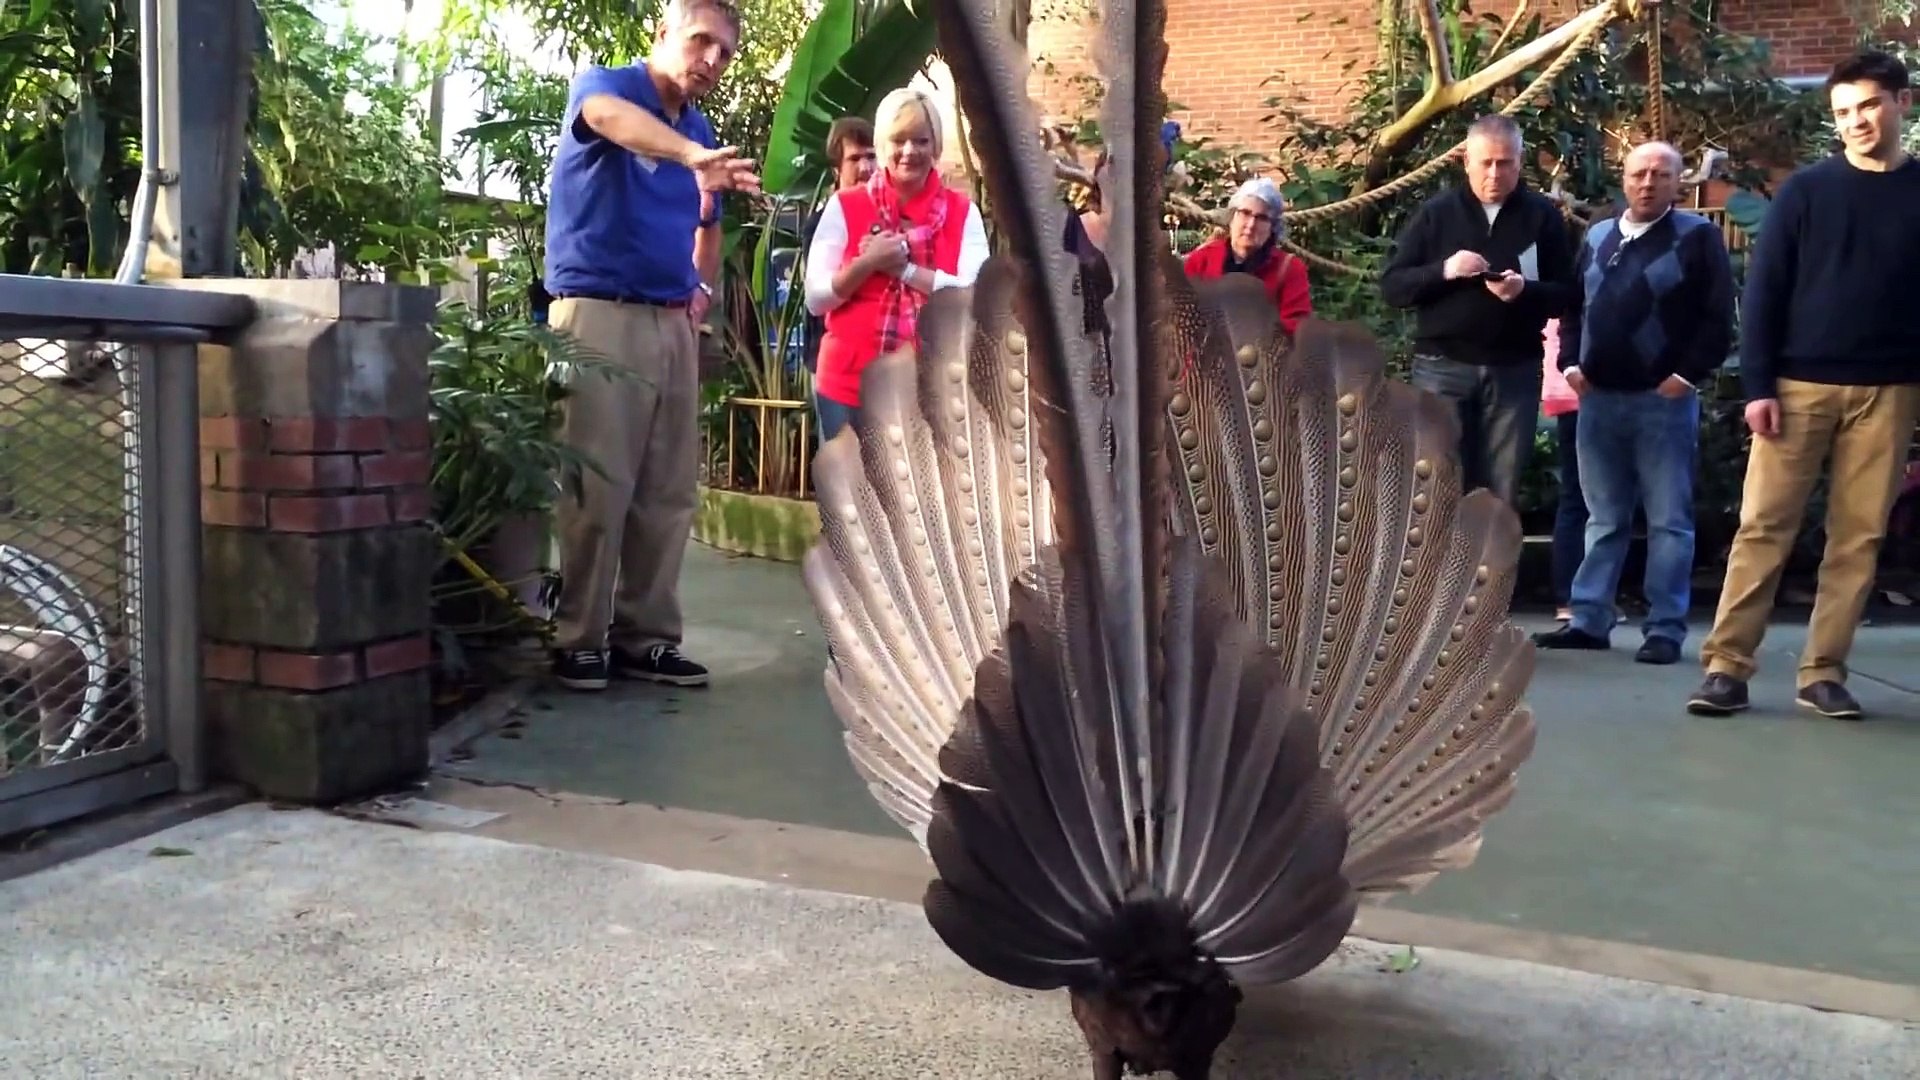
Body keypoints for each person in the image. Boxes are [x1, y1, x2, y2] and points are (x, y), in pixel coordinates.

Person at [1688, 50, 1920, 719]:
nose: (1857, 122)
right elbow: (1763, 294)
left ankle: (1824, 672)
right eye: (1844, 112)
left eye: (1869, 105)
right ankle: (1726, 668)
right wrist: (1758, 384)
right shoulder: (1807, 192)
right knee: (1763, 527)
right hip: (1795, 388)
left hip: (1891, 392)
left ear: (1901, 104)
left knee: (1859, 536)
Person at [541, 0, 759, 692]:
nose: (713, 62)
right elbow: (610, 123)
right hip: (600, 314)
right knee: (598, 485)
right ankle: (579, 635)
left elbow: (710, 220)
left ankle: (647, 637)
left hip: (671, 321)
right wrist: (692, 155)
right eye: (702, 43)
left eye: (726, 53)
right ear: (662, 34)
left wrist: (700, 289)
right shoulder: (606, 87)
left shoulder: (699, 128)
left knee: (667, 490)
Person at [1532, 141, 1734, 665]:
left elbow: (1717, 319)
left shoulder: (1698, 237)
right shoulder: (1599, 234)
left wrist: (1687, 375)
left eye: (1661, 175)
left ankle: (1665, 628)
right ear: (1623, 178)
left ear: (1677, 183)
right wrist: (1570, 364)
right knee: (1603, 518)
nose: (1648, 183)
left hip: (1661, 401)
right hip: (1598, 398)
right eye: (1639, 173)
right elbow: (1574, 306)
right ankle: (1589, 619)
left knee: (1669, 519)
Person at [1379, 113, 1578, 508]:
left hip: (1513, 369)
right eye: (1485, 162)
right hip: (1443, 367)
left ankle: (1495, 571)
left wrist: (1526, 291)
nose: (1494, 173)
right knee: (1439, 486)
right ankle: (1441, 571)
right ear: (1466, 161)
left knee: (1500, 492)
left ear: (1520, 163)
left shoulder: (1542, 216)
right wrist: (1445, 271)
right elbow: (1393, 286)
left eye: (1504, 163)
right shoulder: (1437, 214)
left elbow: (1567, 295)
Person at [803, 88, 990, 443]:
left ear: (935, 146)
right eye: (898, 140)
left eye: (921, 140)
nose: (909, 152)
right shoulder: (845, 205)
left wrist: (905, 271)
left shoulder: (962, 213)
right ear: (883, 143)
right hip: (847, 384)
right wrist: (869, 262)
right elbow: (816, 298)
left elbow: (973, 297)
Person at [1180, 178, 1312, 335]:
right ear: (1232, 217)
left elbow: (1298, 327)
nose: (1250, 225)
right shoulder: (1201, 260)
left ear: (1273, 227)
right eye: (1245, 213)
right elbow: (1180, 317)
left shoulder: (1290, 269)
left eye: (1261, 218)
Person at [800, 117, 877, 382]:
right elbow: (817, 298)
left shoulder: (891, 217)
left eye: (871, 157)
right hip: (831, 362)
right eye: (854, 159)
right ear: (837, 170)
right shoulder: (821, 223)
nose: (866, 168)